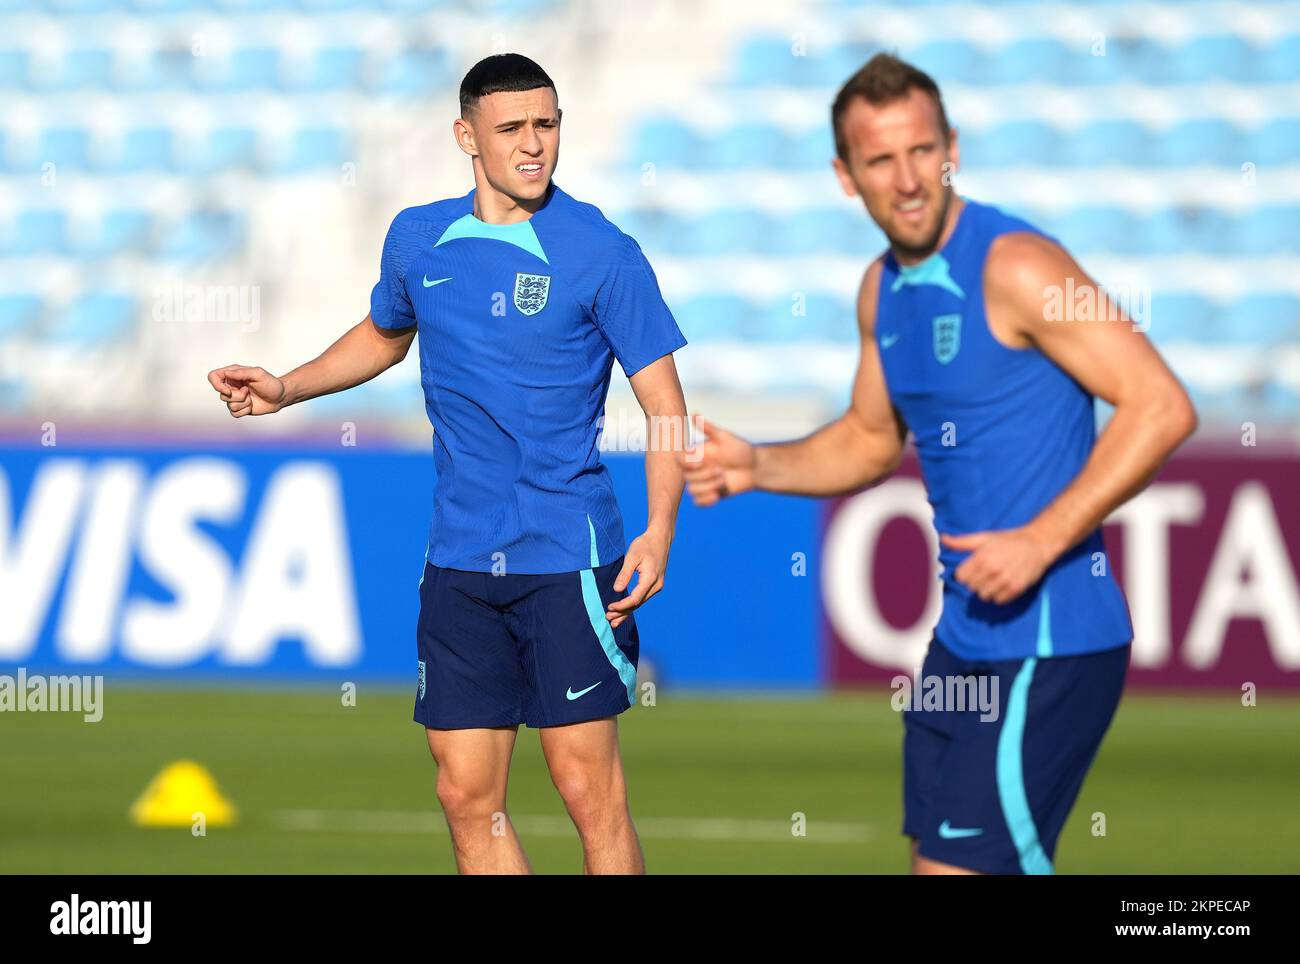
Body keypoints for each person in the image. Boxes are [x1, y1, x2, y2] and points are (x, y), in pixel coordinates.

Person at [681, 53, 1196, 875]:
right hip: (960, 643)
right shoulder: (881, 290)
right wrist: (757, 466)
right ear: (846, 177)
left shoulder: (1018, 266)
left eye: (923, 151)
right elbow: (871, 438)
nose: (909, 178)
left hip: (1051, 641)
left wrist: (1040, 538)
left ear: (951, 147)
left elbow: (1162, 404)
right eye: (881, 159)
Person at [208, 53, 689, 875]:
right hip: (459, 562)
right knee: (466, 797)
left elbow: (670, 410)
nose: (534, 144)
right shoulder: (418, 236)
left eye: (547, 123)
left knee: (587, 790)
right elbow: (385, 335)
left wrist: (661, 529)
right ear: (467, 136)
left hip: (568, 559)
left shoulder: (601, 250)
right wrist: (287, 386)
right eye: (513, 128)